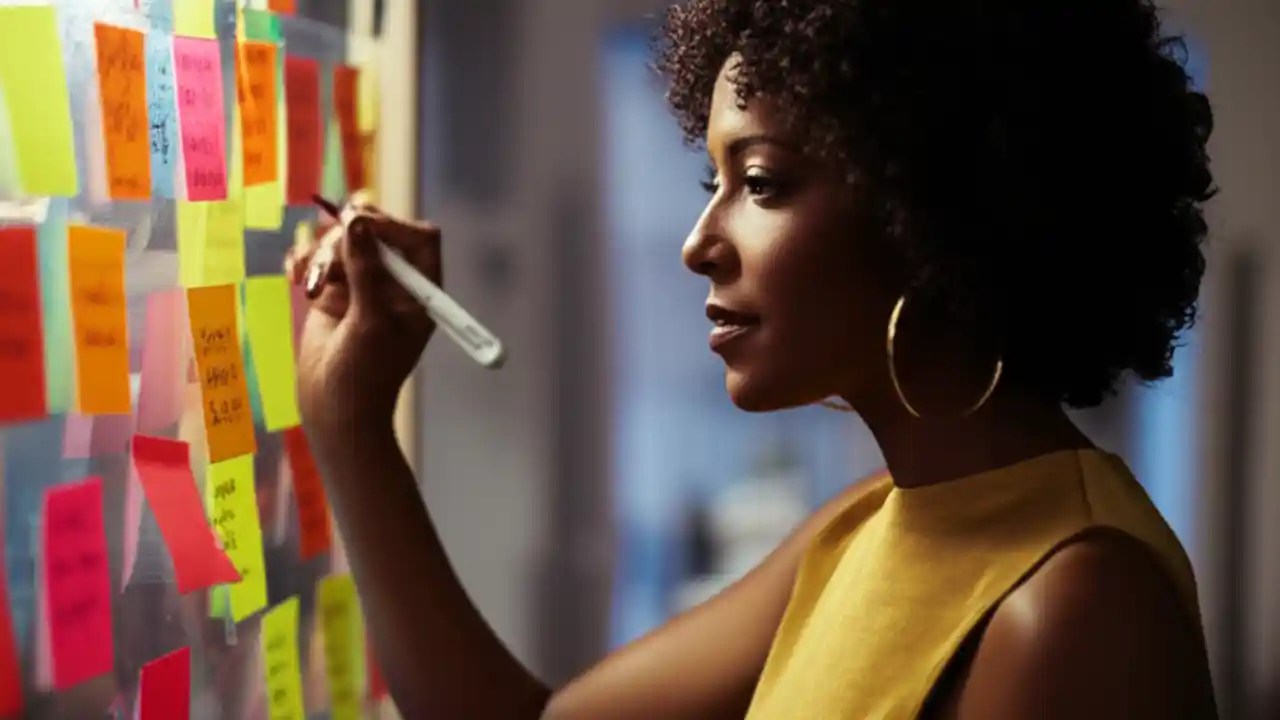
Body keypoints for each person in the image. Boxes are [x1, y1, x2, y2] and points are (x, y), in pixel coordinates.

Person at [284, 0, 1218, 717]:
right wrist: (349, 418)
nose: (699, 242)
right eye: (714, 180)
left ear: (938, 214)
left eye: (761, 183)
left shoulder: (1077, 608)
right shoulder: (870, 525)